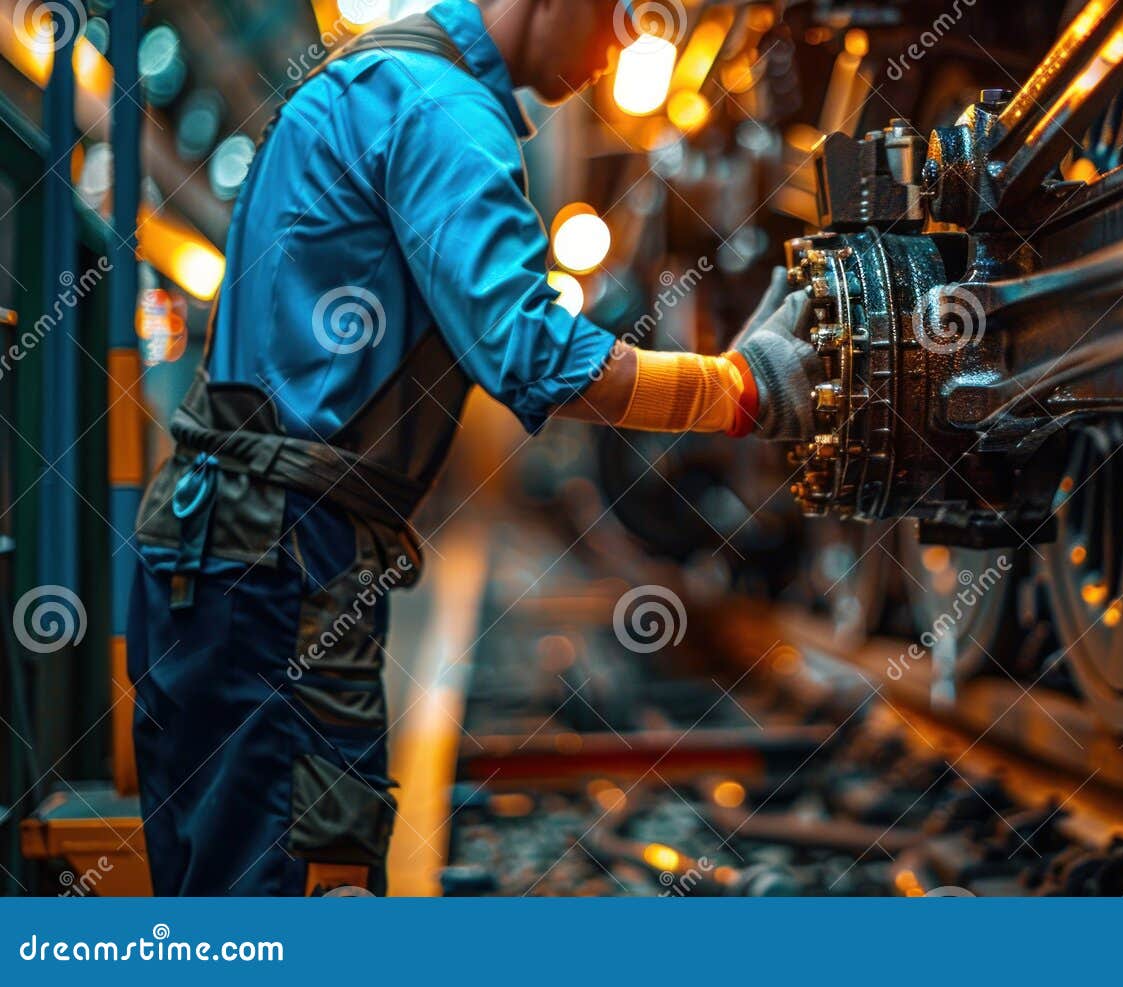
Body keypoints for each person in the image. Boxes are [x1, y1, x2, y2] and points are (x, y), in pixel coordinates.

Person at [128, 0, 820, 896]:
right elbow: (529, 352)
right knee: (285, 894)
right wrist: (736, 389)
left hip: (220, 545)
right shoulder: (443, 107)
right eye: (616, 20)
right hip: (282, 563)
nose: (620, 53)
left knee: (217, 896)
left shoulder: (375, 75)